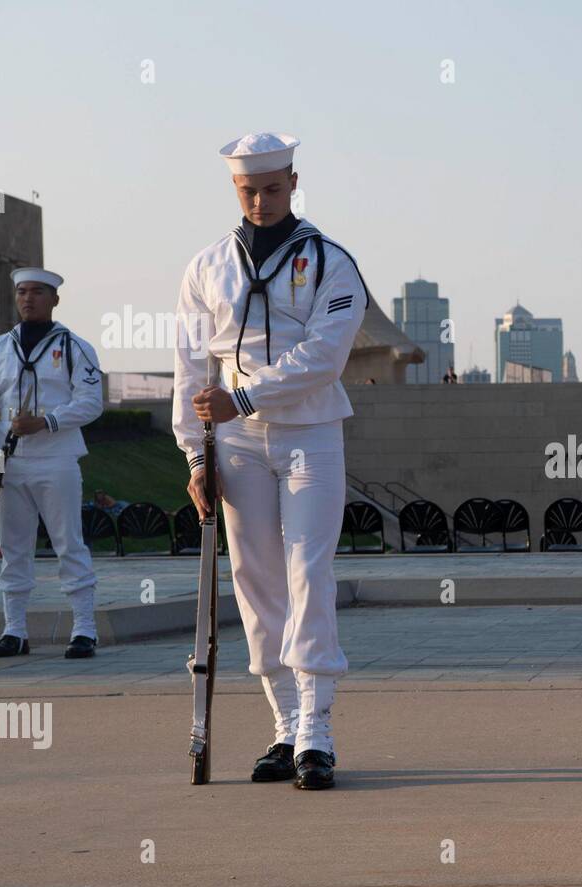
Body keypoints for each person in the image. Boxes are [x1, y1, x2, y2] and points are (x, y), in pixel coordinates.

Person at [173, 132, 368, 790]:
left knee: (308, 569)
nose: (261, 201)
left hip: (309, 430)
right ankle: (283, 723)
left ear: (292, 181)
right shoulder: (206, 268)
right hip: (234, 440)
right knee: (256, 582)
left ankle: (317, 727)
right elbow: (191, 369)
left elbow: (326, 355)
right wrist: (192, 457)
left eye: (273, 188)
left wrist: (247, 396)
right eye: (248, 190)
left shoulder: (330, 262)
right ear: (236, 190)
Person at [0, 267, 104, 658]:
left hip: (57, 458)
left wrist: (46, 421)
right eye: (22, 292)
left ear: (55, 299)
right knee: (13, 548)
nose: (28, 298)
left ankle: (84, 629)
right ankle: (14, 630)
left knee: (68, 544)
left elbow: (91, 402)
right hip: (9, 462)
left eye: (38, 292)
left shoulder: (76, 348)